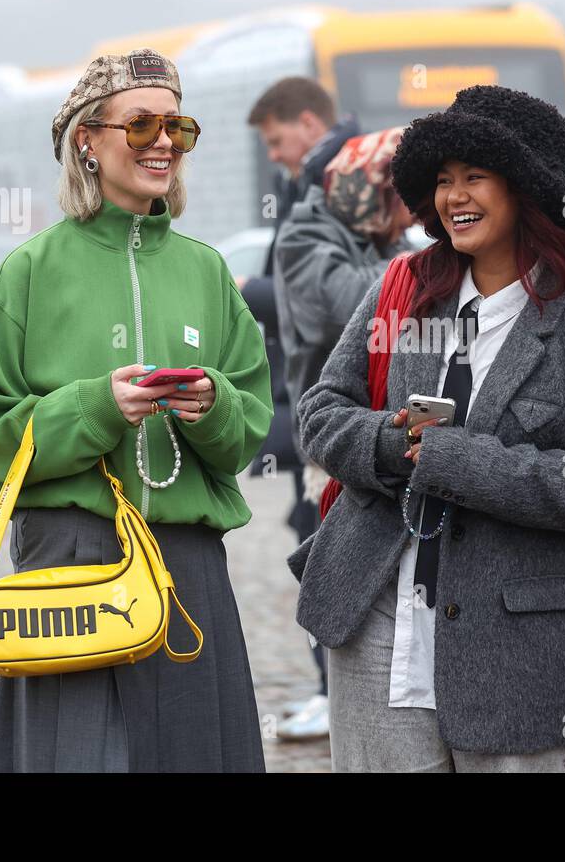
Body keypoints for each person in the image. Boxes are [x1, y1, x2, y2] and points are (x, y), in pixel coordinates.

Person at [289, 85, 565, 772]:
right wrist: (395, 446)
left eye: (475, 178)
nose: (455, 195)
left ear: (523, 191)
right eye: (445, 179)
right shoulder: (402, 287)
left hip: (516, 646)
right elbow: (321, 413)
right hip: (376, 623)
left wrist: (461, 461)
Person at [0, 48, 272, 772]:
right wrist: (96, 407)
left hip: (188, 571)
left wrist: (212, 405)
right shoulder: (28, 272)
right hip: (70, 566)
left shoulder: (207, 270)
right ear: (87, 141)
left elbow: (249, 427)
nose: (163, 141)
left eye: (177, 127)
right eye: (140, 125)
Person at [268, 126, 412, 738]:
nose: (412, 210)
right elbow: (355, 301)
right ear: (367, 187)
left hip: (386, 436)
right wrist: (414, 273)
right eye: (401, 193)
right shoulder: (306, 237)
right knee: (331, 563)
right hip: (329, 442)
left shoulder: (382, 237)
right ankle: (335, 694)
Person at [246, 78, 360, 734]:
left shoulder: (336, 182)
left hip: (324, 399)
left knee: (325, 544)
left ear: (309, 123)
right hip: (307, 397)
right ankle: (328, 686)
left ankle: (337, 690)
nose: (273, 155)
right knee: (311, 539)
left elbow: (311, 302)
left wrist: (244, 290)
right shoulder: (312, 180)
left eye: (277, 139)